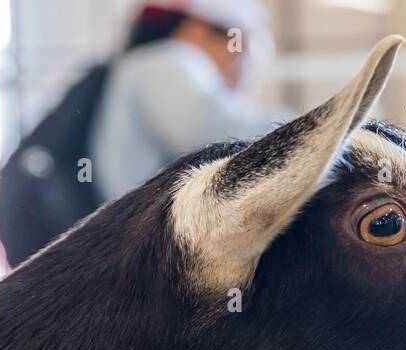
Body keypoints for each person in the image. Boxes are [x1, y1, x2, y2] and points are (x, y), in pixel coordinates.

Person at [90, 0, 289, 204]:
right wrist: (297, 127)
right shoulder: (170, 62)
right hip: (137, 229)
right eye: (238, 49)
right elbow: (219, 133)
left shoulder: (145, 63)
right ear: (198, 28)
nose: (237, 66)